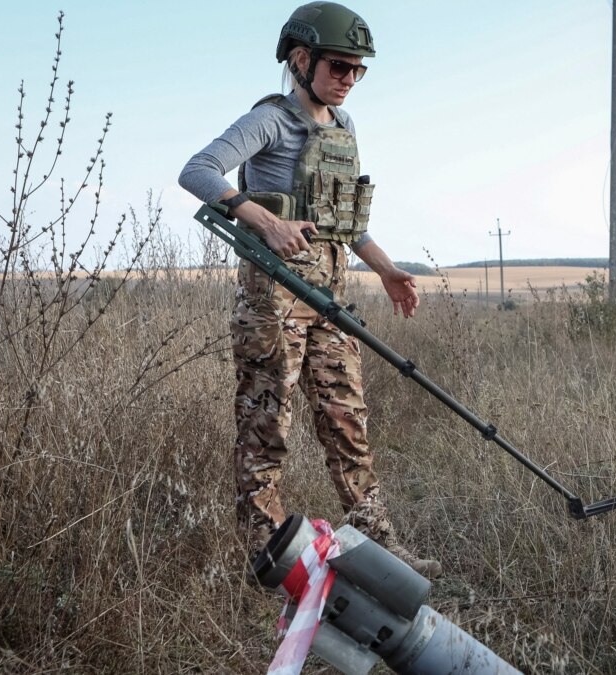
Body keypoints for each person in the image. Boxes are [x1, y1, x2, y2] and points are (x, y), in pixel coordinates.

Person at [179, 1, 440, 578]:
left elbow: (345, 221)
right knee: (267, 426)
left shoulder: (344, 128)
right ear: (301, 59)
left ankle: (379, 547)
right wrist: (263, 221)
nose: (348, 80)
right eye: (338, 67)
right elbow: (198, 170)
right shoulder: (270, 120)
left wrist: (386, 268)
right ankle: (268, 559)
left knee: (348, 423)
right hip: (272, 302)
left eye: (357, 71)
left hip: (328, 299)